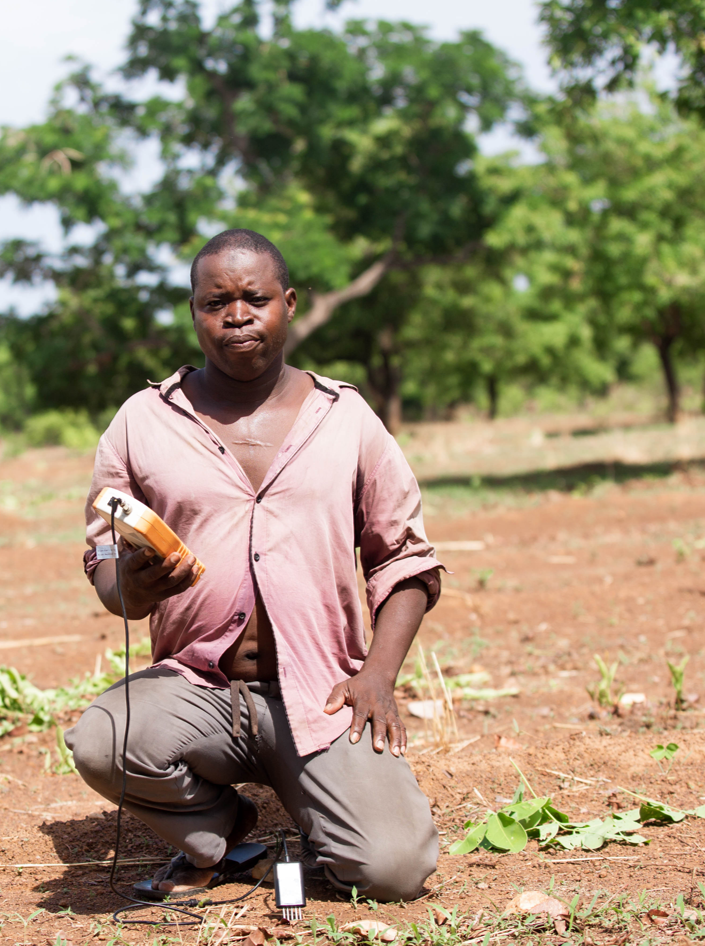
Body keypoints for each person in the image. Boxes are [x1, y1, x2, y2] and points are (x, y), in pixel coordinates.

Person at [64, 229, 443, 902]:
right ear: (193, 313)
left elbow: (405, 561)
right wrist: (131, 585)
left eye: (253, 298)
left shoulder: (345, 417)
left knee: (393, 868)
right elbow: (104, 561)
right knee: (102, 739)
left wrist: (378, 675)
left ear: (288, 304)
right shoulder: (142, 421)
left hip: (323, 693)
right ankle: (223, 829)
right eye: (215, 302)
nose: (236, 314)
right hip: (197, 687)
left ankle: (321, 813)